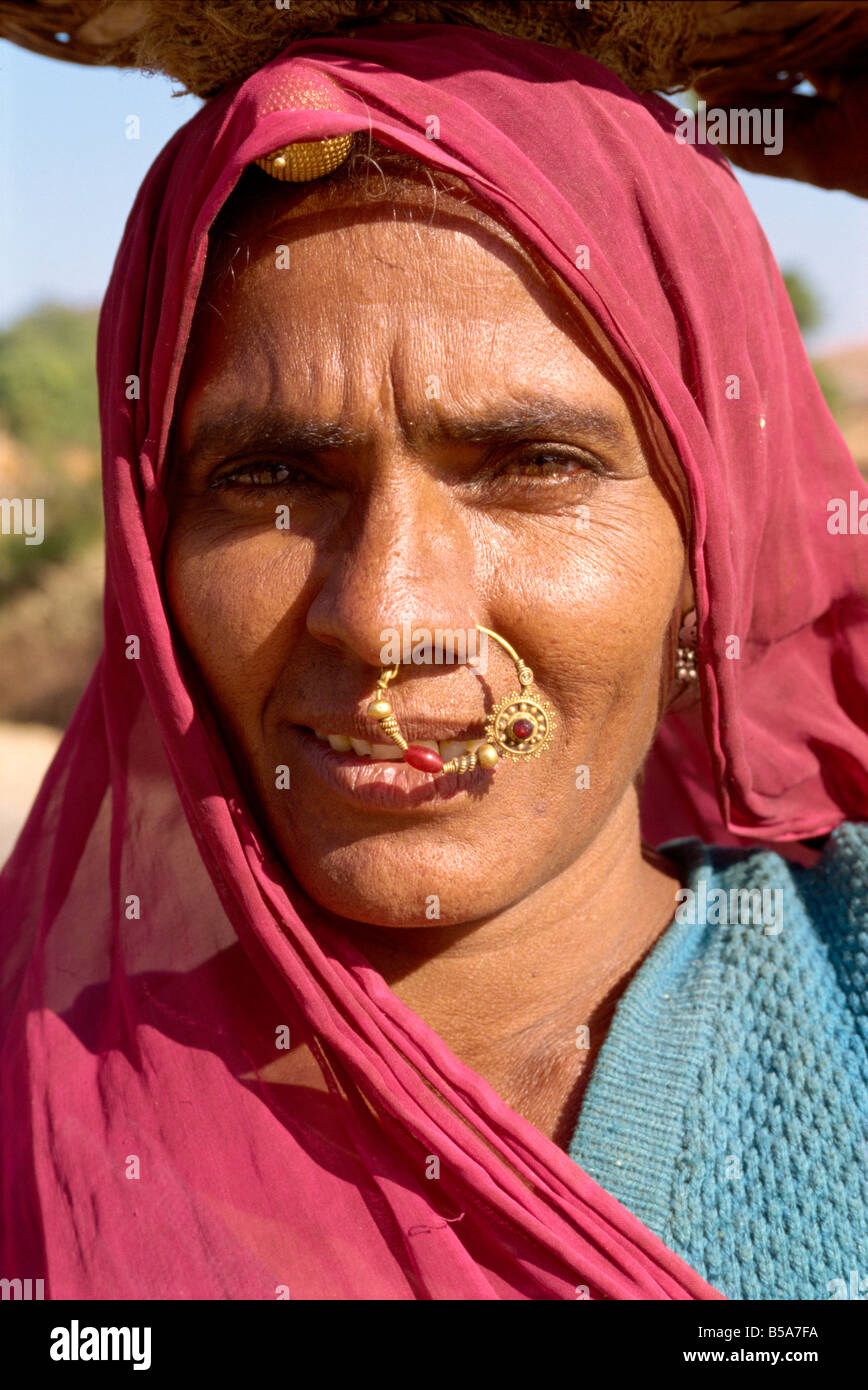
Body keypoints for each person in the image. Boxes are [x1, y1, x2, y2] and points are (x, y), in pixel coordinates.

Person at [1, 22, 866, 1301]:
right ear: (152, 546)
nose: (390, 616)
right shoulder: (42, 1121)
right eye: (274, 477)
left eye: (534, 466)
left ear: (713, 564)